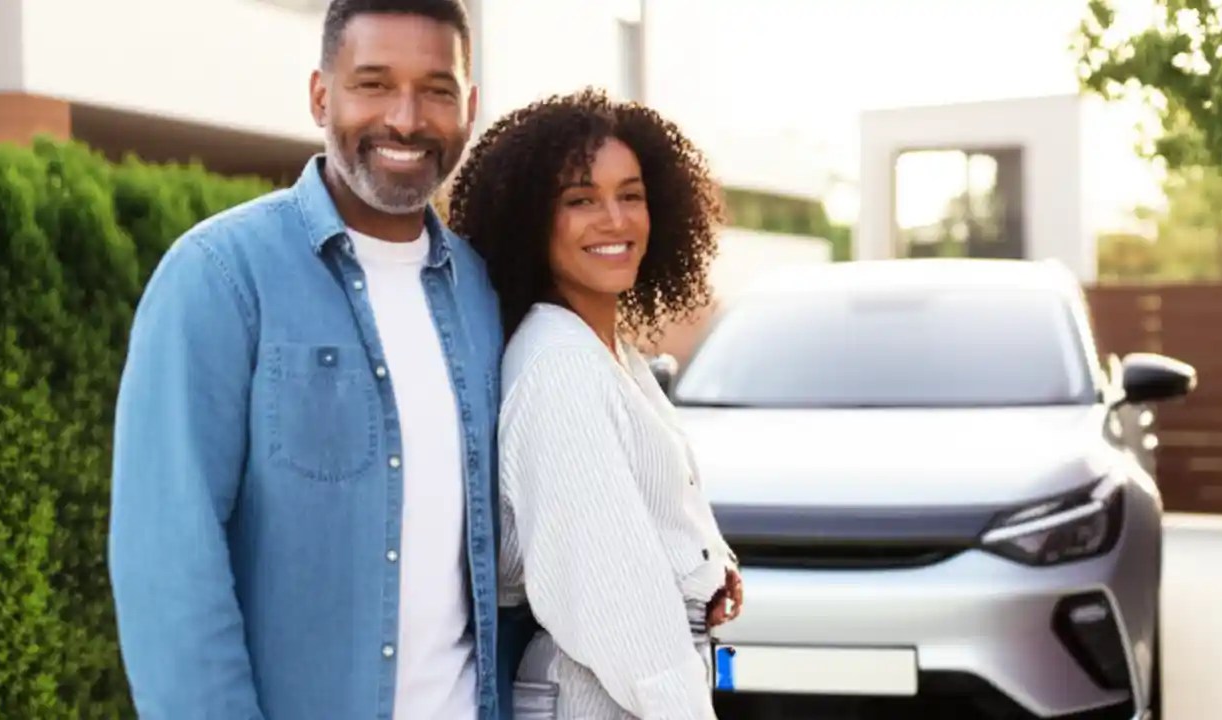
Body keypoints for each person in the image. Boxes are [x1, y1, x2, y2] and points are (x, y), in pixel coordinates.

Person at [107, 2, 503, 718]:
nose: (407, 119)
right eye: (374, 83)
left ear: (469, 106)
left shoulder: (481, 291)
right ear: (322, 94)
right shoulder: (220, 276)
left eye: (436, 90)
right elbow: (168, 566)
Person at [449, 88, 745, 720]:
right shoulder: (559, 368)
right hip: (600, 699)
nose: (614, 219)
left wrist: (705, 572)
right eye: (580, 200)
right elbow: (616, 603)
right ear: (532, 219)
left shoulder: (607, 351)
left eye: (631, 195)